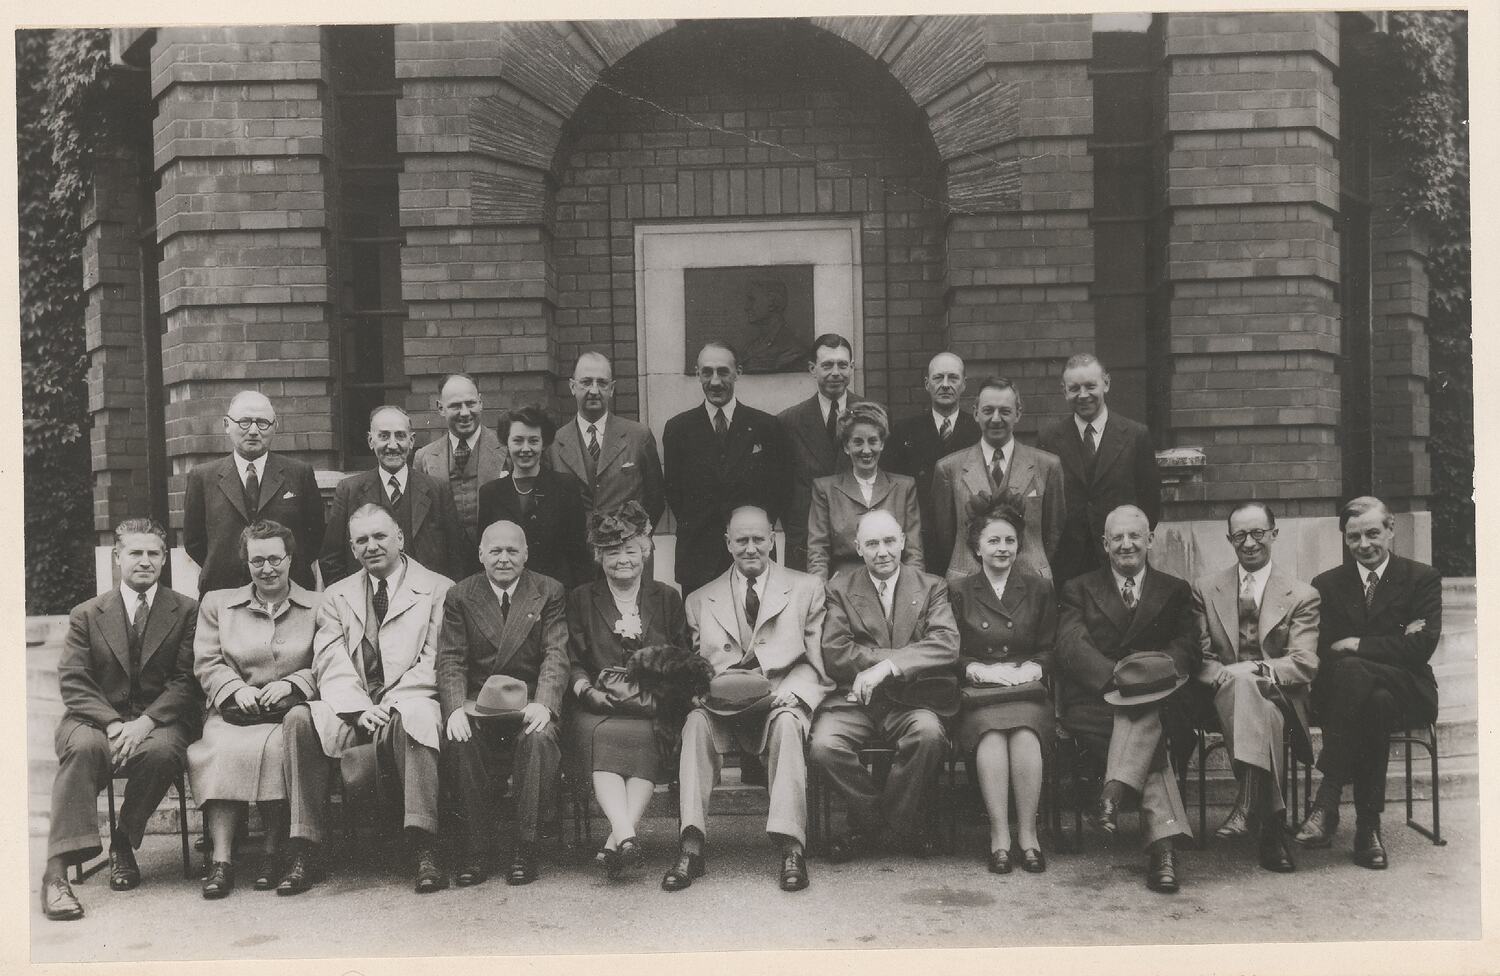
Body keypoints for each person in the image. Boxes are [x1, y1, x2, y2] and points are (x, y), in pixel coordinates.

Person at [284, 504, 453, 894]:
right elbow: (329, 656)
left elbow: (436, 659)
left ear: (400, 538)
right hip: (354, 704)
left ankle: (423, 844)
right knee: (299, 720)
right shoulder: (336, 595)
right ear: (352, 548)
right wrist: (360, 709)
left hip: (411, 697)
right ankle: (306, 845)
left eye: (380, 536)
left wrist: (390, 703)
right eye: (361, 540)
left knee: (419, 720)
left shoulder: (438, 589)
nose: (371, 546)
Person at [665, 506, 833, 893]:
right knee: (693, 725)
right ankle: (691, 844)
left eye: (759, 539)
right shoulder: (699, 599)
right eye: (742, 540)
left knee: (790, 724)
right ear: (728, 543)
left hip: (778, 699)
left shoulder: (806, 588)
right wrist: (700, 694)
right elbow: (694, 667)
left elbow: (818, 659)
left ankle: (792, 846)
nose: (751, 548)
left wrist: (797, 691)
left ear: (773, 539)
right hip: (721, 706)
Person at [40, 519, 201, 922]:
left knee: (164, 752)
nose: (144, 561)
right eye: (135, 553)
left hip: (159, 720)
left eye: (153, 554)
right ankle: (55, 874)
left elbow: (186, 681)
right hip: (94, 719)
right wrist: (113, 724)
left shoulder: (186, 611)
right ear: (117, 558)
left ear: (164, 560)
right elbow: (75, 681)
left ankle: (123, 842)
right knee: (82, 748)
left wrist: (146, 722)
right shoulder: (87, 614)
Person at [1293, 496, 1443, 870]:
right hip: (1350, 695)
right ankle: (1367, 829)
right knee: (1373, 701)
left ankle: (1327, 801)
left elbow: (1420, 647)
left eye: (1373, 534)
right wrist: (1392, 644)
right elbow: (1325, 651)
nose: (1365, 545)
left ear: (1391, 530)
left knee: (1355, 670)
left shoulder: (1421, 578)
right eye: (1354, 537)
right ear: (1344, 539)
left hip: (1408, 689)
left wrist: (1357, 644)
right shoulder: (1326, 584)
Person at [1055, 505, 1195, 893]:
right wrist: (1118, 679)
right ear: (1104, 544)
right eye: (1117, 537)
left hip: (1161, 696)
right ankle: (1163, 850)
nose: (1126, 544)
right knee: (1151, 734)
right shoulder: (1079, 588)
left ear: (1150, 539)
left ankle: (1113, 792)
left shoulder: (1175, 589)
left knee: (1150, 715)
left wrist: (1150, 678)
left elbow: (1186, 647)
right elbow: (1070, 645)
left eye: (1135, 535)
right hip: (1099, 701)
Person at [811, 509, 959, 862]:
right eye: (872, 543)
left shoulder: (932, 586)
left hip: (912, 701)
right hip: (855, 701)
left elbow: (946, 644)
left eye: (890, 541)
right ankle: (889, 825)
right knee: (823, 747)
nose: (883, 551)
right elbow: (835, 651)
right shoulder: (838, 587)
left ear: (904, 543)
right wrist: (904, 658)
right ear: (857, 547)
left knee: (928, 736)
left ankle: (868, 831)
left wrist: (886, 667)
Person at [186, 520, 322, 899]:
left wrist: (294, 683)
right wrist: (233, 688)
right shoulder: (218, 603)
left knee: (282, 748)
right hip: (234, 712)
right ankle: (222, 860)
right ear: (245, 561)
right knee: (222, 750)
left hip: (289, 711)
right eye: (257, 560)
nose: (267, 569)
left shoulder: (317, 606)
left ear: (291, 559)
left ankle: (270, 853)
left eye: (275, 559)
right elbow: (207, 661)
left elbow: (328, 660)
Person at [565, 502, 694, 879]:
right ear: (598, 556)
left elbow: (682, 654)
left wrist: (661, 684)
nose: (623, 559)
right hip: (597, 706)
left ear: (646, 552)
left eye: (630, 550)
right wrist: (584, 690)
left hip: (650, 706)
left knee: (646, 736)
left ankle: (619, 839)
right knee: (601, 735)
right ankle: (625, 836)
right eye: (612, 552)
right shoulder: (581, 598)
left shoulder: (666, 597)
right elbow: (571, 659)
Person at [438, 520, 569, 887]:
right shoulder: (461, 595)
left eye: (513, 551)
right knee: (459, 739)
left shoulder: (548, 591)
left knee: (539, 739)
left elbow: (555, 654)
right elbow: (451, 658)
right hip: (480, 701)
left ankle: (525, 849)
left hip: (529, 699)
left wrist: (545, 703)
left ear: (526, 554)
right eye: (495, 551)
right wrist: (452, 709)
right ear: (481, 555)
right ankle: (476, 849)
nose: (504, 559)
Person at [1191, 501, 1319, 873]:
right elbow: (1197, 653)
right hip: (1222, 694)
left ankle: (1248, 806)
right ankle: (1272, 832)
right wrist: (1226, 674)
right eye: (1240, 535)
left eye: (1258, 533)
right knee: (1251, 699)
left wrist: (1254, 669)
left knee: (1260, 701)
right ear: (1230, 539)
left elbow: (1304, 662)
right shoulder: (1205, 589)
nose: (1249, 543)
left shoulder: (1301, 594)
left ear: (1274, 535)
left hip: (1279, 697)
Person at [950, 494, 1056, 875]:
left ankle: (1029, 835)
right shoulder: (960, 591)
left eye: (1010, 540)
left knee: (1025, 735)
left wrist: (1032, 669)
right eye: (994, 541)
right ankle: (999, 836)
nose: (1003, 548)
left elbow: (1049, 647)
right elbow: (951, 651)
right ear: (977, 547)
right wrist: (977, 669)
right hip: (980, 691)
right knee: (992, 738)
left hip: (1025, 688)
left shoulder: (1038, 587)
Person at [663, 341, 791, 596]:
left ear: (738, 373)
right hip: (699, 556)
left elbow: (779, 489)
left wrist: (751, 530)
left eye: (723, 372)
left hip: (752, 554)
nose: (715, 382)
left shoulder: (766, 426)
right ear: (697, 373)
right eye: (707, 372)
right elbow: (675, 493)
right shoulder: (678, 429)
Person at [1038, 354, 1163, 585]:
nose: (1083, 395)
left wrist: (1128, 544)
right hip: (1067, 564)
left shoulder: (1136, 435)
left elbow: (1150, 503)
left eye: (1090, 386)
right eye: (1074, 388)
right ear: (1064, 390)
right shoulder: (1049, 438)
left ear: (1106, 383)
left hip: (1119, 559)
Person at [183, 390, 324, 594]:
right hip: (224, 590)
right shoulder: (203, 477)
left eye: (262, 423)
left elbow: (315, 536)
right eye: (244, 422)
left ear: (275, 426)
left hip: (288, 589)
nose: (253, 431)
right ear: (226, 424)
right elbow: (194, 541)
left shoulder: (299, 473)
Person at [932, 377, 1065, 582]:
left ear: (1018, 414)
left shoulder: (1047, 465)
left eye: (1004, 411)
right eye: (988, 411)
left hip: (1030, 582)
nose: (995, 419)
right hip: (967, 583)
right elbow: (945, 536)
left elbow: (1053, 532)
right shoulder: (949, 468)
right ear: (976, 413)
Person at [319, 405, 463, 584]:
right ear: (371, 441)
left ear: (411, 441)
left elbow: (457, 559)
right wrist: (350, 602)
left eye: (400, 436)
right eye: (384, 436)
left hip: (425, 602)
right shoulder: (349, 490)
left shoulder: (437, 490)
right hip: (368, 603)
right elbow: (331, 559)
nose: (392, 445)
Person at [885, 352, 981, 577]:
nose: (945, 385)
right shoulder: (904, 432)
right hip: (920, 543)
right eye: (938, 378)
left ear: (964, 384)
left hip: (967, 544)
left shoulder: (979, 432)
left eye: (953, 378)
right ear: (927, 384)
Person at [547, 352, 666, 530]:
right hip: (574, 553)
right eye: (586, 382)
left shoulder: (639, 436)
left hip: (627, 552)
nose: (594, 391)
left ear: (611, 389)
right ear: (572, 387)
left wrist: (635, 540)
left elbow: (655, 500)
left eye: (602, 383)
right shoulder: (553, 444)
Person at [806, 400, 923, 581]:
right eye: (858, 442)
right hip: (844, 586)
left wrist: (913, 590)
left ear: (882, 444)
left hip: (894, 581)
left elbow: (914, 552)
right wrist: (820, 593)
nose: (866, 450)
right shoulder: (826, 489)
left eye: (873, 441)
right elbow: (818, 552)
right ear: (846, 446)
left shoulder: (904, 487)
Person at [777, 334, 865, 572]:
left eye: (842, 365)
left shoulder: (872, 415)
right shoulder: (788, 422)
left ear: (852, 367)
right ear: (812, 369)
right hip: (806, 544)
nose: (835, 373)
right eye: (827, 365)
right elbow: (783, 490)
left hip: (858, 544)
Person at [478, 405, 590, 590]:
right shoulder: (491, 492)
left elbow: (578, 554)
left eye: (533, 441)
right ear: (507, 442)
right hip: (508, 593)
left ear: (544, 443)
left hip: (557, 593)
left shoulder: (565, 486)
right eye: (518, 440)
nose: (526, 448)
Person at [413, 373, 508, 579]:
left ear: (481, 403)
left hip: (498, 566)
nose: (465, 413)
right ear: (440, 408)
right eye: (456, 405)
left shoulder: (506, 449)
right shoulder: (424, 457)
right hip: (445, 570)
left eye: (471, 403)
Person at [739, 278, 805, 373]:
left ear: (772, 302)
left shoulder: (793, 349)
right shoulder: (751, 346)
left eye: (752, 300)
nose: (746, 307)